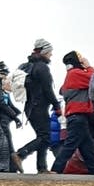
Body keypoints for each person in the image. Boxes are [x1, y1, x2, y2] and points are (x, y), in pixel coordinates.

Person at [14, 39, 59, 172]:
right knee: (45, 136)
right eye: (50, 52)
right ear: (45, 52)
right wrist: (56, 105)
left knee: (43, 136)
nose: (51, 55)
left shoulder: (27, 66)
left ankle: (42, 168)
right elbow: (47, 89)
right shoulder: (42, 67)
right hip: (39, 106)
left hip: (29, 107)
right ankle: (21, 154)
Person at [52, 50, 94, 174]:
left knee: (87, 149)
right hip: (79, 116)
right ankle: (55, 169)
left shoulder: (70, 75)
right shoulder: (75, 74)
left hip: (78, 117)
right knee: (70, 145)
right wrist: (88, 66)